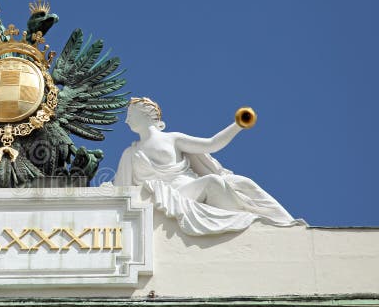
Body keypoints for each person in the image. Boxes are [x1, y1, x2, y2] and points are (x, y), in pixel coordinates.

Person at [112, 97, 297, 235]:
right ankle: (250, 223)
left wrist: (238, 124)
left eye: (130, 115)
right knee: (213, 183)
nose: (126, 120)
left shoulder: (172, 138)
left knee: (243, 182)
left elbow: (212, 144)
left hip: (187, 185)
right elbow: (122, 190)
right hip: (171, 196)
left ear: (145, 114)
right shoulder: (130, 154)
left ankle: (284, 223)